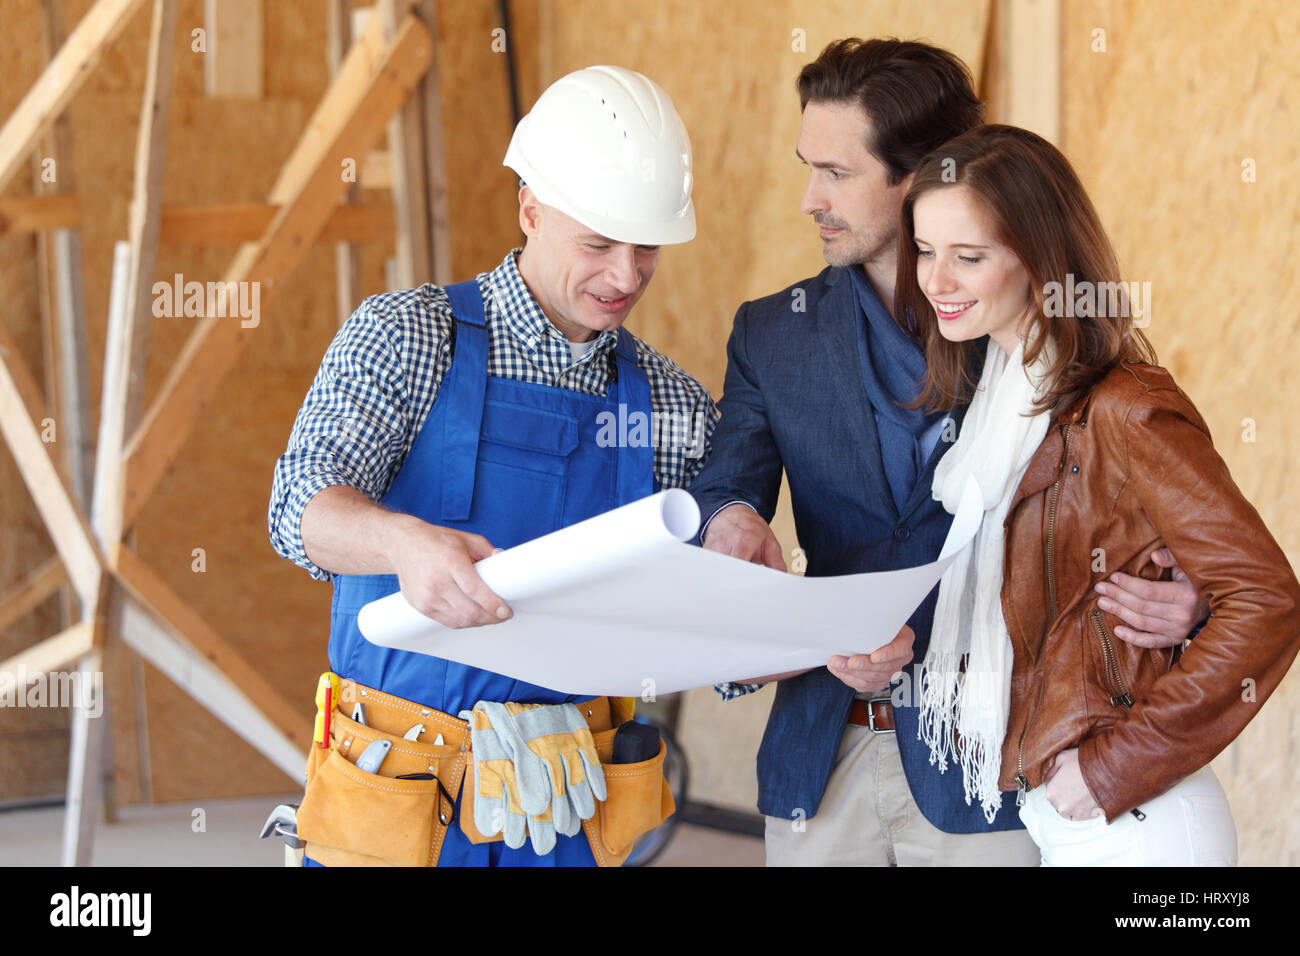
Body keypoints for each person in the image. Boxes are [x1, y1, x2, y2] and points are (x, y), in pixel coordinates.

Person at [689, 38, 1208, 866]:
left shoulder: (1037, 339)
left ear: (925, 176)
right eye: (806, 166)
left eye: (836, 173)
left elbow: (1156, 532)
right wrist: (730, 523)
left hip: (995, 772)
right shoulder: (769, 333)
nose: (808, 198)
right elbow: (725, 488)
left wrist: (1182, 599)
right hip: (821, 763)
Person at [267, 65, 715, 867]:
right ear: (530, 208)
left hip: (564, 809)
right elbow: (298, 509)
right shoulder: (408, 336)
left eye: (646, 248)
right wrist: (401, 544)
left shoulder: (673, 405)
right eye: (598, 244)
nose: (625, 277)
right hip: (396, 801)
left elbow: (700, 605)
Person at [898, 123, 1300, 866]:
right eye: (924, 250)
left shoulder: (1122, 406)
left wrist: (1115, 766)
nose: (935, 280)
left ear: (1040, 258)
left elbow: (1268, 599)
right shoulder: (998, 405)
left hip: (1139, 820)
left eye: (969, 256)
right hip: (1066, 816)